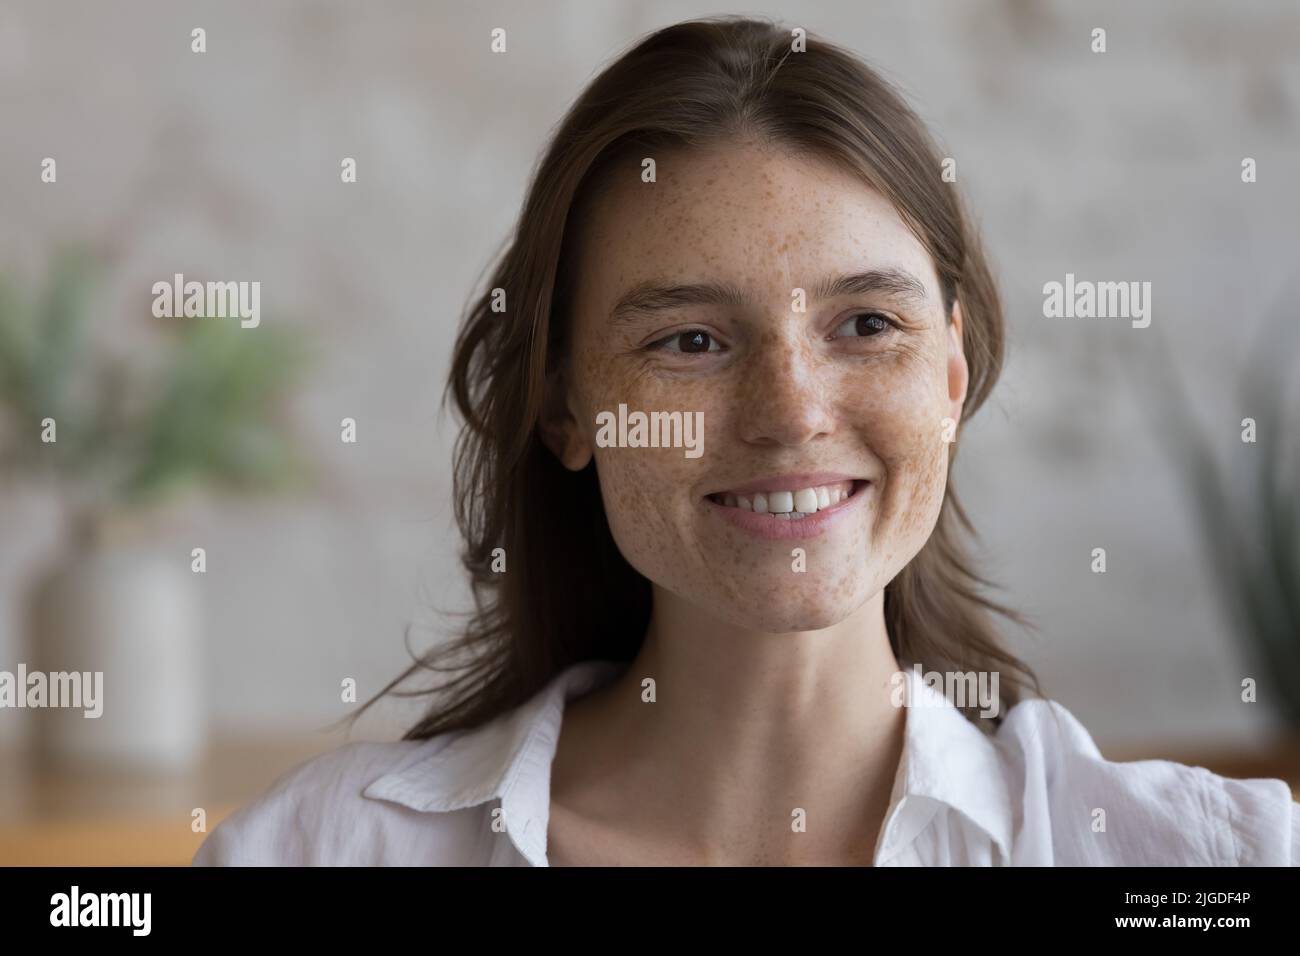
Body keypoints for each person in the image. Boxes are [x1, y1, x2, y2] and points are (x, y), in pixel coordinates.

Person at [193, 15, 1298, 867]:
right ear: (563, 407)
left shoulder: (1204, 861)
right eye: (690, 339)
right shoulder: (317, 855)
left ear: (949, 377)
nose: (790, 410)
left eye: (866, 324)